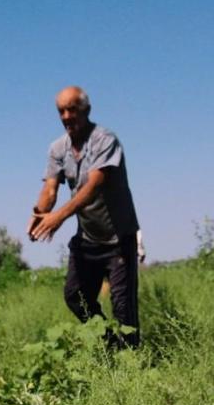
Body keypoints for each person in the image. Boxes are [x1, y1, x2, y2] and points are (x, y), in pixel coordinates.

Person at [27, 85, 140, 347]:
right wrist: (40, 214)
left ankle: (132, 364)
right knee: (76, 296)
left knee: (124, 312)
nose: (66, 116)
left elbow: (93, 186)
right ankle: (110, 343)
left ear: (86, 110)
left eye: (72, 109)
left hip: (117, 239)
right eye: (61, 111)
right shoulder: (58, 148)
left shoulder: (105, 140)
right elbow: (50, 188)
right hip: (88, 239)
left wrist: (58, 218)